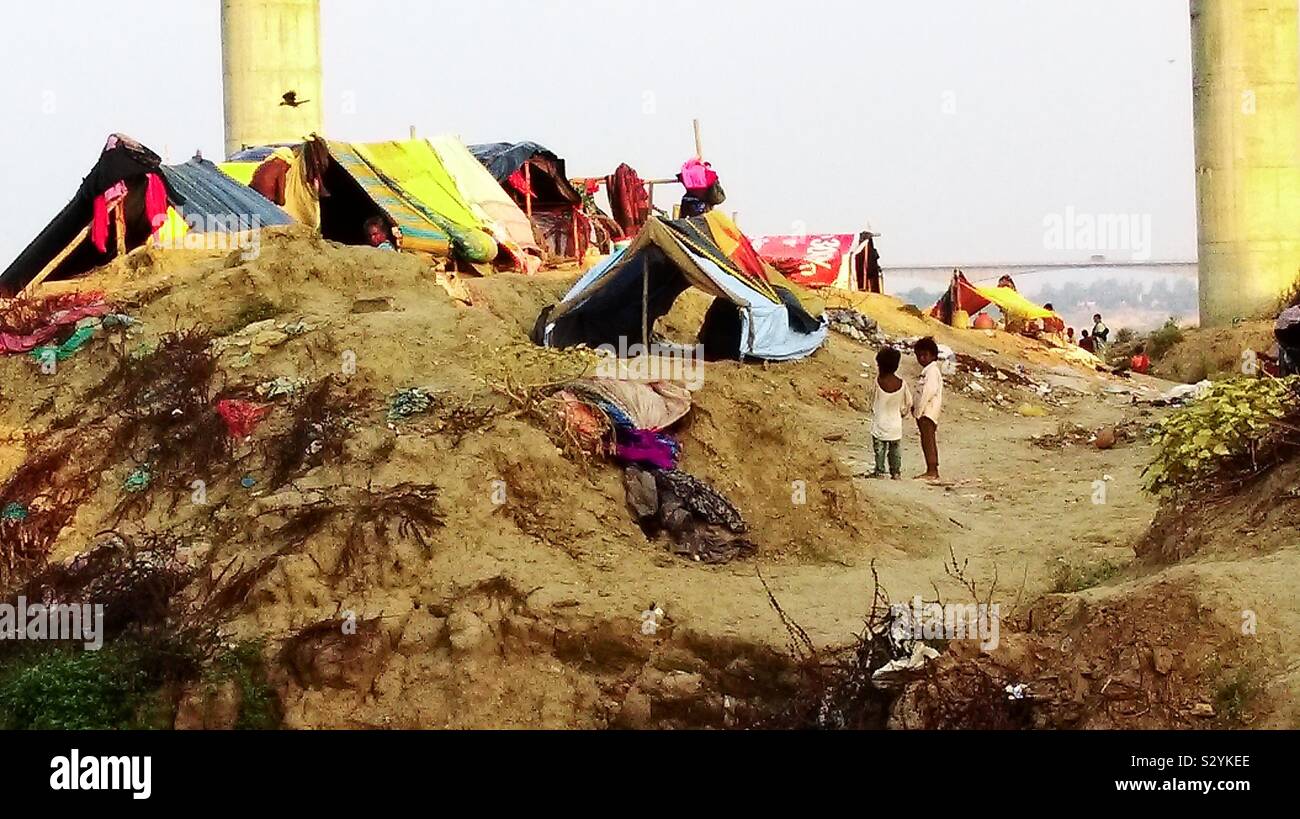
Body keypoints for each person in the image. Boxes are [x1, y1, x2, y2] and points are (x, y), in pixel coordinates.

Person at [870, 347, 913, 480]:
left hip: (880, 422)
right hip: (895, 424)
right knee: (895, 450)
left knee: (880, 449)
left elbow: (872, 399)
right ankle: (896, 472)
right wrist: (902, 413)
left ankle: (880, 470)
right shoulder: (901, 383)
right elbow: (909, 402)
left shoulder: (878, 382)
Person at [912, 336, 944, 481]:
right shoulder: (928, 371)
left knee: (928, 440)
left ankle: (932, 470)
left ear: (933, 355)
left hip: (927, 412)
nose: (921, 358)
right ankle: (931, 469)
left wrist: (918, 411)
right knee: (926, 439)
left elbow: (927, 392)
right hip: (925, 411)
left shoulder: (932, 372)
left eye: (925, 355)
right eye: (919, 356)